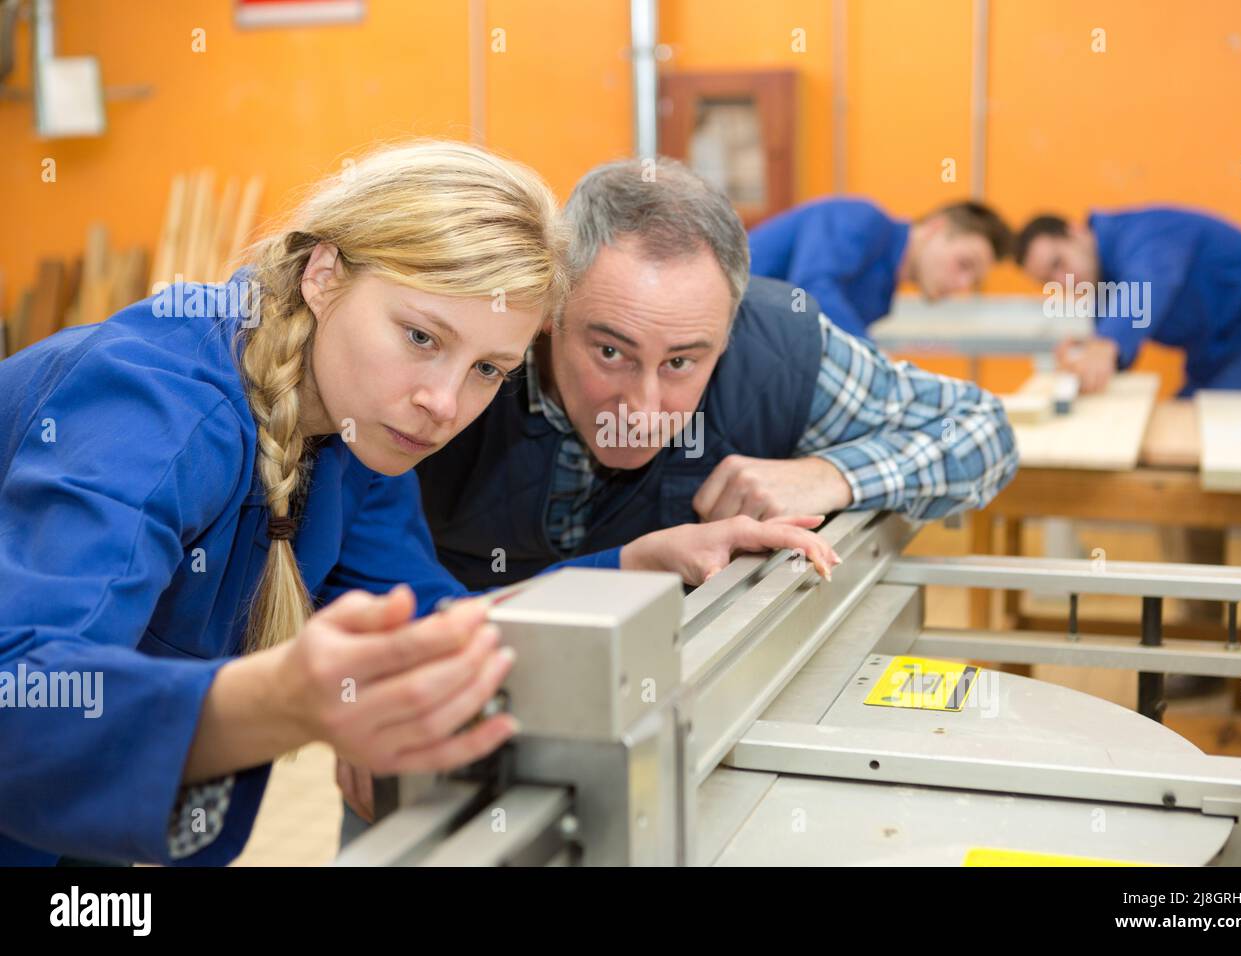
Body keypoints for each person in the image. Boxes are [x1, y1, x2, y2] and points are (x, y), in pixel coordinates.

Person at [0, 141, 838, 866]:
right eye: (421, 337)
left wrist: (627, 565)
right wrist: (280, 703)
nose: (444, 404)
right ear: (325, 273)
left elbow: (426, 623)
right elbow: (23, 697)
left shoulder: (360, 440)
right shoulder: (149, 411)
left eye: (487, 370)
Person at [417, 159, 1019, 592]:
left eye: (681, 362)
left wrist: (831, 474)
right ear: (552, 309)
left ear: (731, 327)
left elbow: (983, 431)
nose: (644, 409)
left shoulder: (779, 351)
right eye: (610, 352)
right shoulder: (470, 345)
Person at [1016, 207, 1241, 404]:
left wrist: (1104, 345)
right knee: (1177, 423)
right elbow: (1112, 344)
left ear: (1076, 232)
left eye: (1058, 263)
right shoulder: (1103, 279)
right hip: (1215, 360)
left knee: (1195, 432)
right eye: (1048, 280)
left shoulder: (1145, 233)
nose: (1062, 282)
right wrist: (1084, 358)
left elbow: (1149, 280)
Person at [746, 197, 1014, 337]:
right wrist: (877, 366)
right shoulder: (863, 220)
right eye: (964, 264)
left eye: (973, 281)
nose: (962, 285)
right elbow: (810, 291)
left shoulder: (881, 296)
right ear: (935, 228)